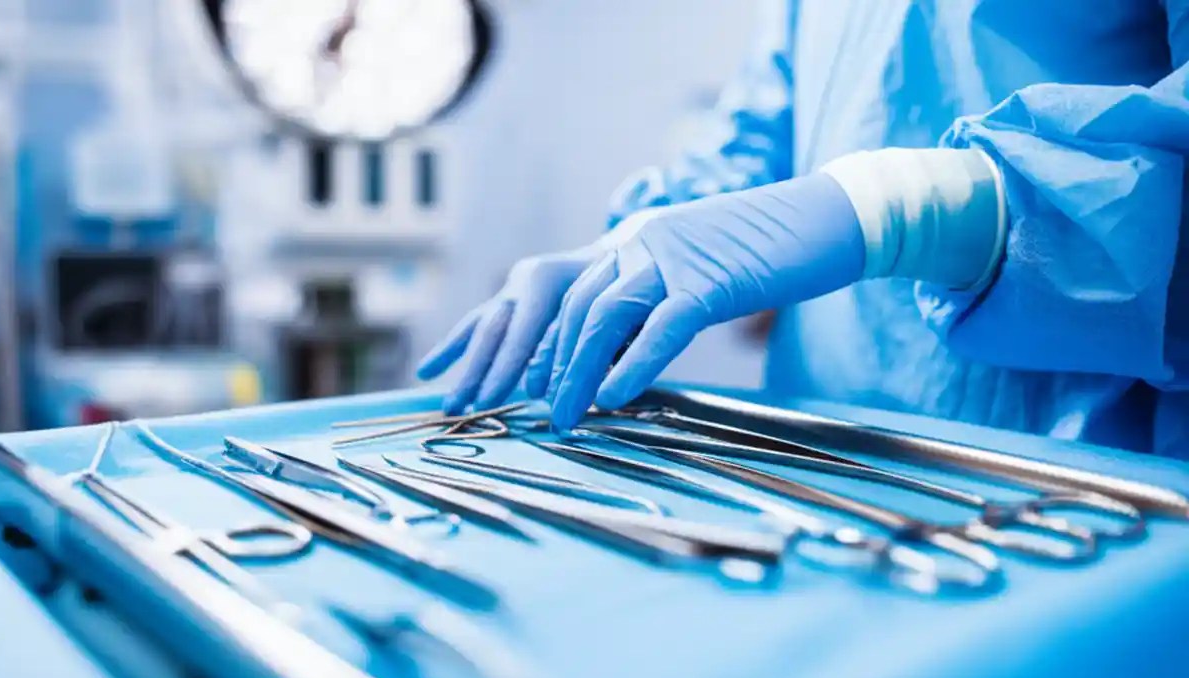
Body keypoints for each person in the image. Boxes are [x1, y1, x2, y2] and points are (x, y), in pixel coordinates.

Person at [419, 1, 1189, 459]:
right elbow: (767, 131)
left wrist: (908, 209)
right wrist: (631, 244)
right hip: (821, 445)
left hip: (1088, 474)